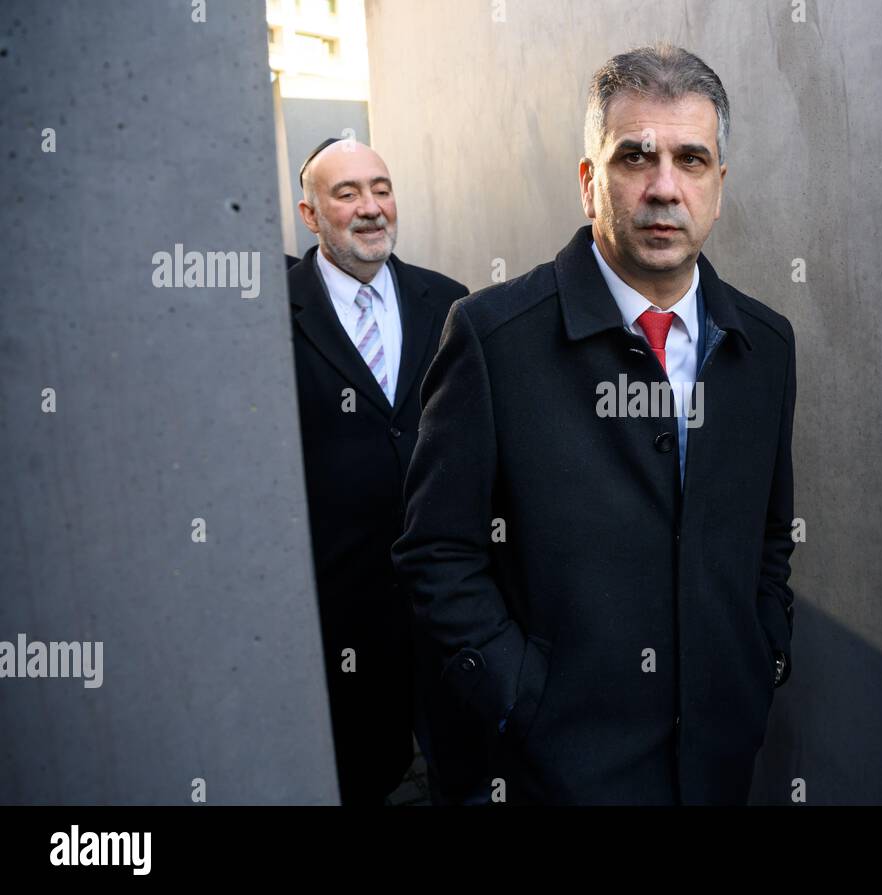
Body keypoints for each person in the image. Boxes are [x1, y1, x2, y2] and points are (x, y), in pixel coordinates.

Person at [394, 44, 796, 805]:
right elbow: (436, 551)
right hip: (556, 773)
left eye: (692, 159)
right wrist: (518, 694)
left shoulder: (766, 345)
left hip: (716, 759)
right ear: (589, 182)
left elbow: (770, 535)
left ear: (720, 186)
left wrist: (763, 651)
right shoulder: (492, 337)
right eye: (635, 157)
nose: (664, 188)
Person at [289, 137, 467, 804]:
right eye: (347, 193)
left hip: (447, 608)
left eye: (381, 188)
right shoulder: (271, 317)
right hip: (342, 618)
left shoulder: (451, 304)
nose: (371, 208)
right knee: (360, 779)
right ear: (310, 215)